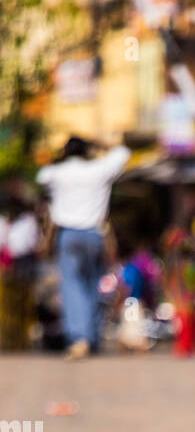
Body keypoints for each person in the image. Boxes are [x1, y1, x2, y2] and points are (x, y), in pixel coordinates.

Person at [36, 135, 130, 359]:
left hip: (68, 235)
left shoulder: (58, 173)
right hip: (94, 234)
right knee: (92, 285)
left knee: (72, 286)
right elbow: (123, 153)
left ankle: (79, 338)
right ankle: (91, 337)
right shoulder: (97, 170)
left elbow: (42, 176)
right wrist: (100, 144)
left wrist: (59, 158)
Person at [0, 196, 41, 351]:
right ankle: (6, 341)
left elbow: (33, 245)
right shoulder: (3, 222)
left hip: (24, 262)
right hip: (5, 262)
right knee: (6, 305)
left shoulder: (28, 222)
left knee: (24, 303)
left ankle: (23, 341)